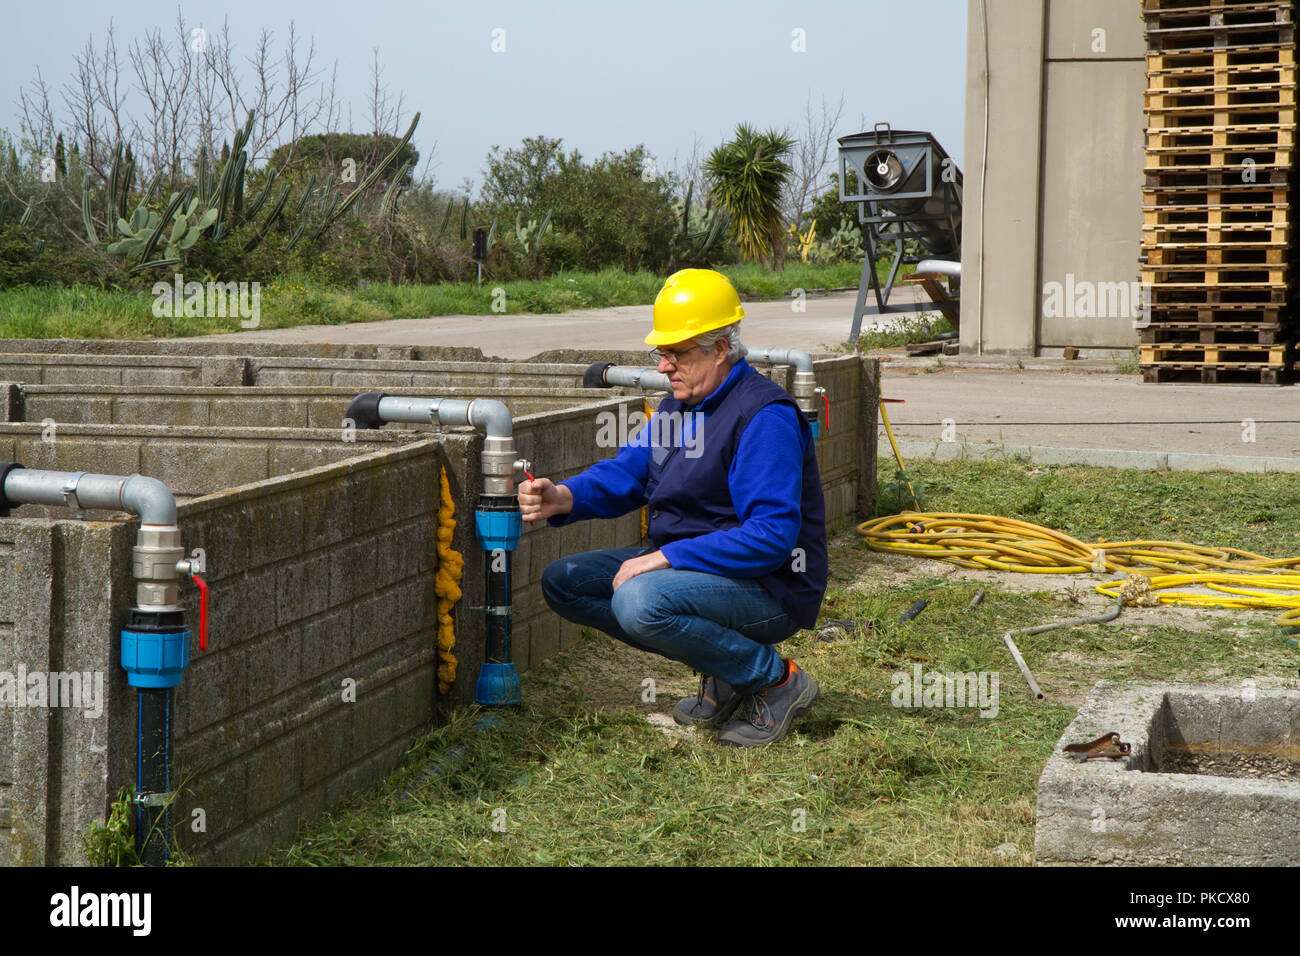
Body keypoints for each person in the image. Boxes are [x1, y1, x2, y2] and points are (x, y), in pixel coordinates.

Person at [522, 268, 828, 747]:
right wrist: (563, 496)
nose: (664, 366)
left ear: (721, 348)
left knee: (639, 600)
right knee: (565, 583)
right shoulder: (679, 408)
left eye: (677, 353)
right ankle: (724, 670)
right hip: (701, 576)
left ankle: (775, 680)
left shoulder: (763, 416)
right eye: (660, 353)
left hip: (770, 586)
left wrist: (663, 558)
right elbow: (632, 472)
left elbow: (770, 536)